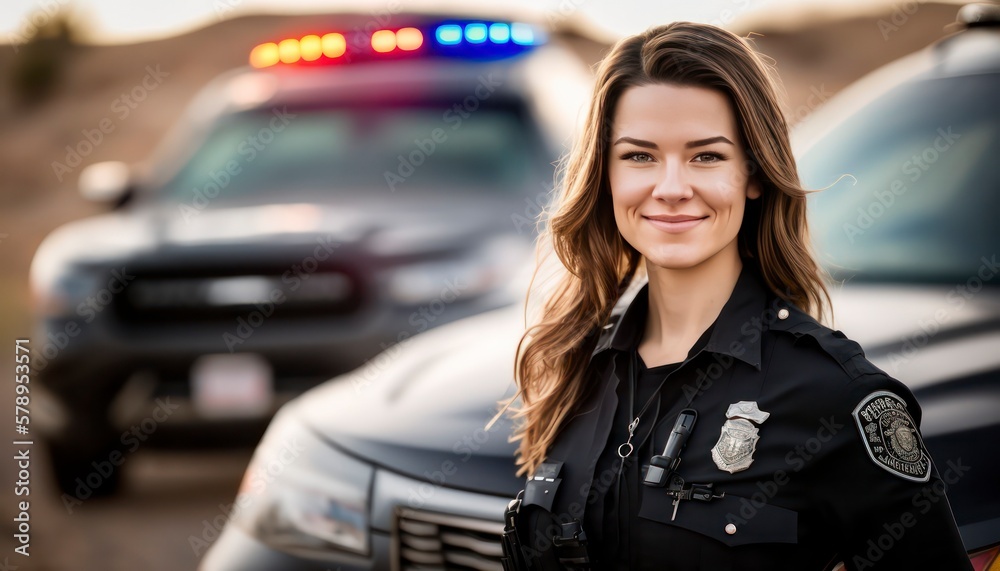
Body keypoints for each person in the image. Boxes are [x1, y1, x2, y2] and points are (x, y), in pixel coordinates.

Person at [498, 21, 972, 571]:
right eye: (639, 156)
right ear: (604, 174)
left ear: (753, 172)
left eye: (706, 156)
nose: (671, 188)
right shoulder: (574, 364)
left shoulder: (836, 394)